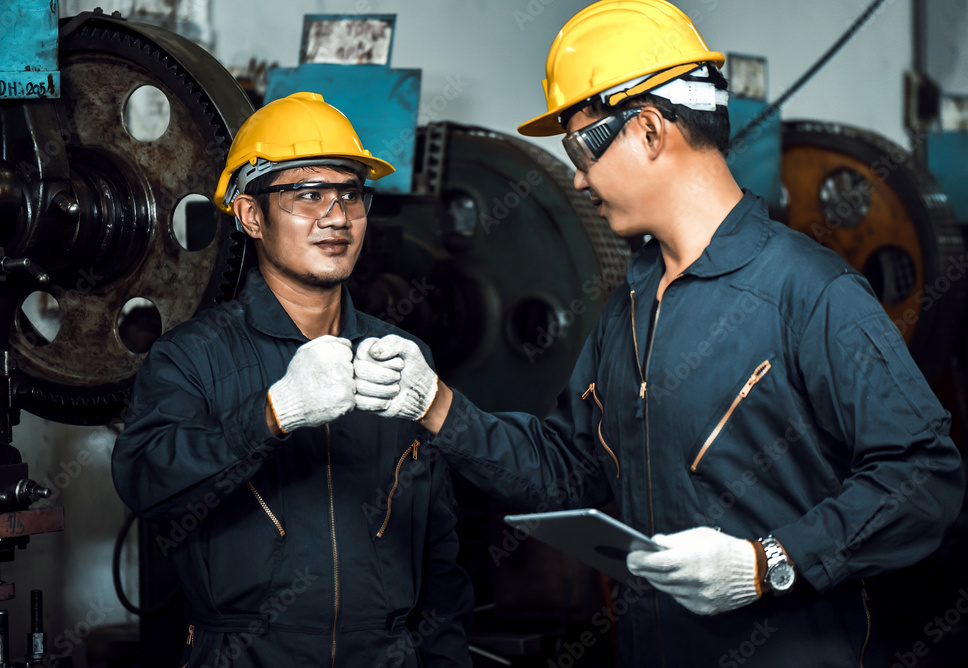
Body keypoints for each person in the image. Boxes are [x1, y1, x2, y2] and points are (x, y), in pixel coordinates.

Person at [351, 2, 966, 666]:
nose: (579, 178)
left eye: (581, 149)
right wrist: (436, 404)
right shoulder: (630, 306)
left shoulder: (810, 293)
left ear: (647, 129)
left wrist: (769, 563)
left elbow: (924, 477)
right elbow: (570, 472)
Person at [111, 92, 473, 667]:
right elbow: (148, 485)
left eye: (350, 194)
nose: (336, 216)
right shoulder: (190, 357)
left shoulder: (400, 358)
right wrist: (274, 413)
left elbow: (439, 552)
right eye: (307, 195)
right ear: (252, 215)